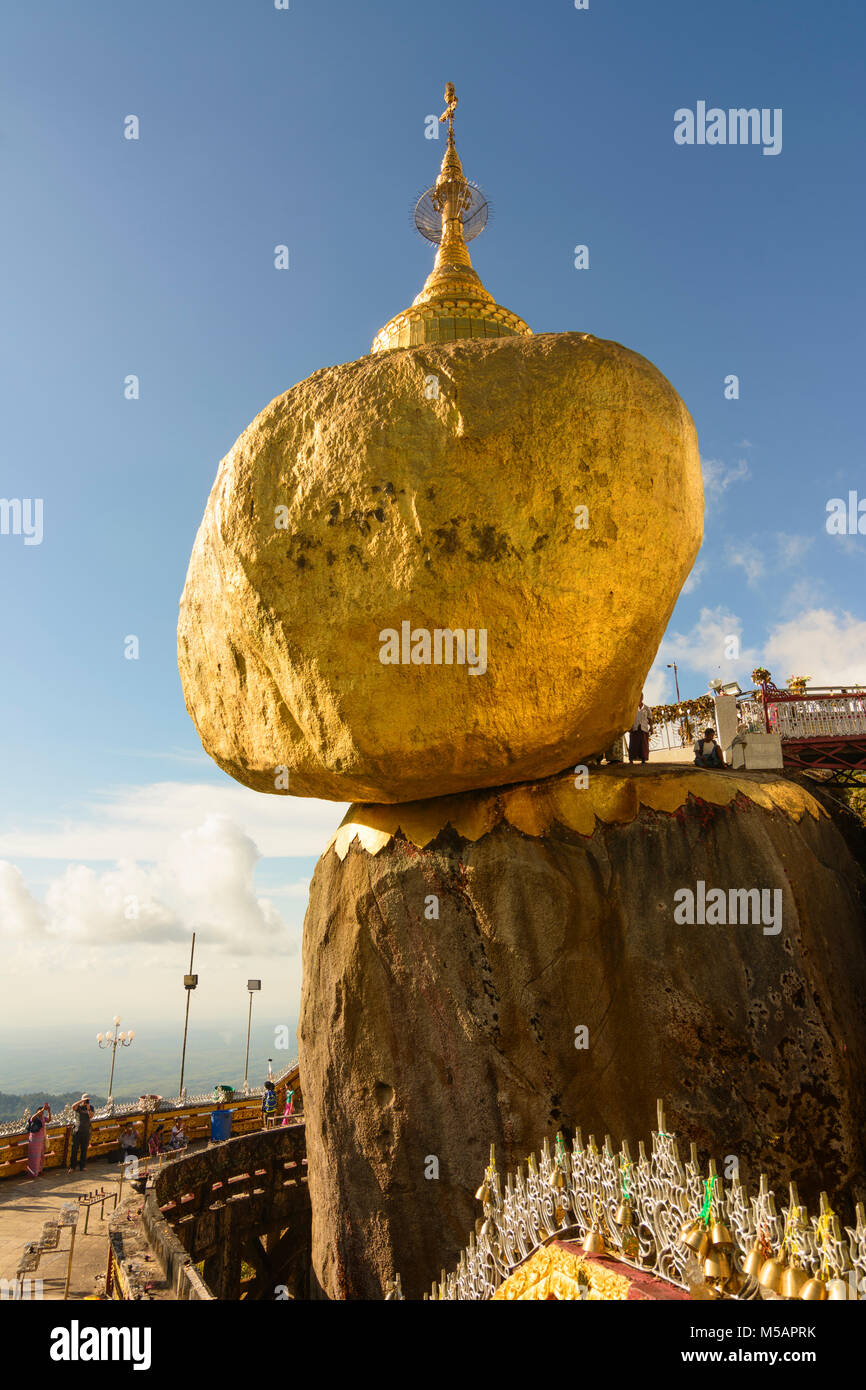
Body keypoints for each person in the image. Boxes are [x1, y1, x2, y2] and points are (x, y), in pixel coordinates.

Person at [68, 1095, 94, 1172]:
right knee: (74, 1149)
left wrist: (88, 1108)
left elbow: (91, 1116)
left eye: (87, 1100)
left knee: (84, 1149)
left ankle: (82, 1166)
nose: (86, 1101)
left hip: (86, 1131)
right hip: (77, 1131)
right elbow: (73, 1107)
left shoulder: (91, 1107)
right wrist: (81, 1101)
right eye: (85, 1100)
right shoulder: (78, 1107)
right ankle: (72, 1167)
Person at [27, 1103, 51, 1178]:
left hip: (41, 1140)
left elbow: (49, 1120)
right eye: (40, 1112)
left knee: (41, 1156)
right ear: (37, 1111)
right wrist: (41, 1110)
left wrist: (49, 1112)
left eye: (42, 1112)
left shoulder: (43, 1118)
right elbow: (31, 1119)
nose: (41, 1113)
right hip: (34, 1140)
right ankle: (33, 1173)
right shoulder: (35, 1117)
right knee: (34, 1157)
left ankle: (39, 1170)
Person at [628, 695, 651, 764]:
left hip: (643, 728)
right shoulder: (632, 708)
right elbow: (629, 718)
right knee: (633, 744)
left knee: (643, 744)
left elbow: (650, 718)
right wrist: (629, 727)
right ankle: (631, 759)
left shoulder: (647, 708)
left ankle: (643, 759)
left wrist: (651, 728)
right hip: (634, 728)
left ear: (642, 698)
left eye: (640, 697)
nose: (639, 699)